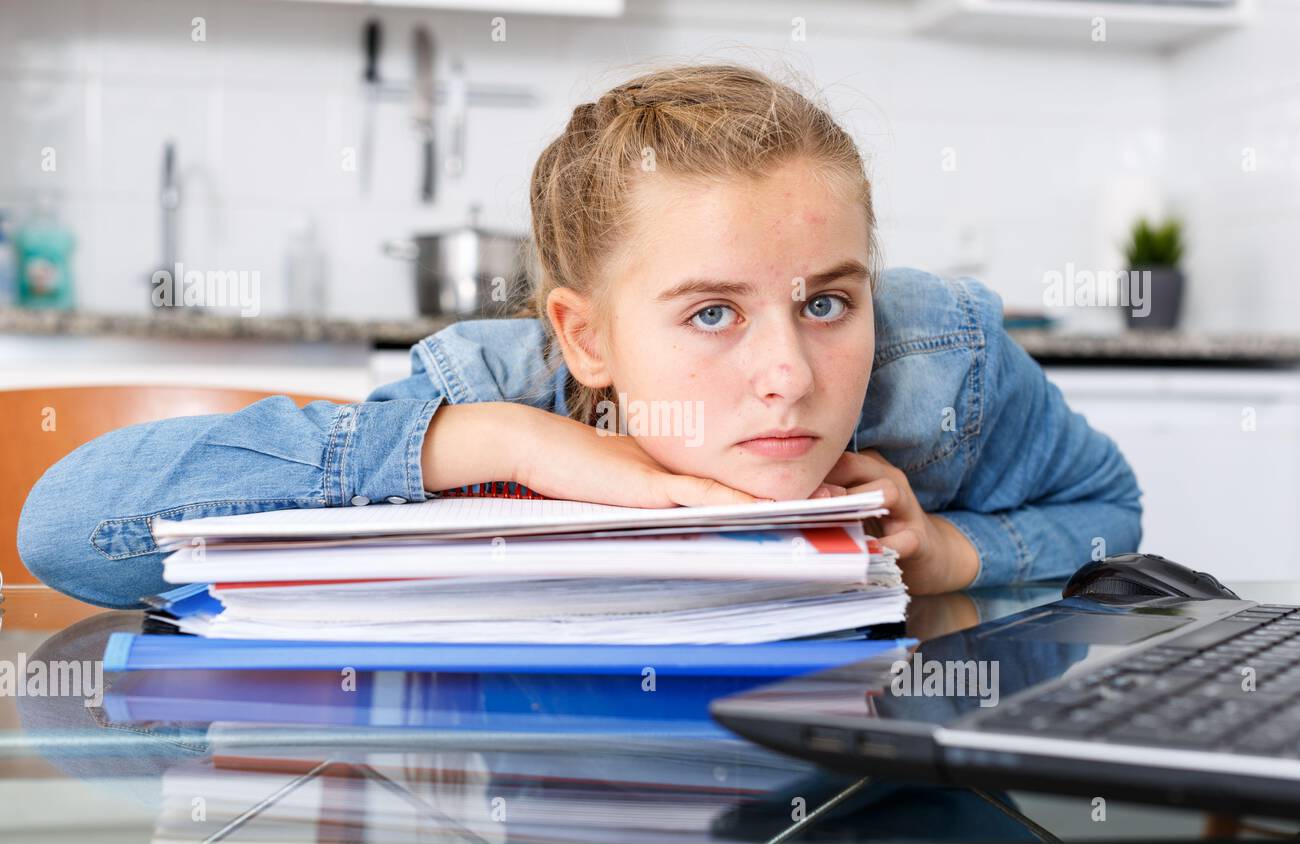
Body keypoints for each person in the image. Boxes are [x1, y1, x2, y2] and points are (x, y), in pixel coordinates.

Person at [17, 63, 1142, 610]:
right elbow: (66, 531)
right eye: (710, 313)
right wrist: (510, 444)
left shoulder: (937, 362)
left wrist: (953, 554)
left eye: (826, 302)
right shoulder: (485, 390)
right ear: (584, 338)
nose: (788, 376)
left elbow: (1108, 516)